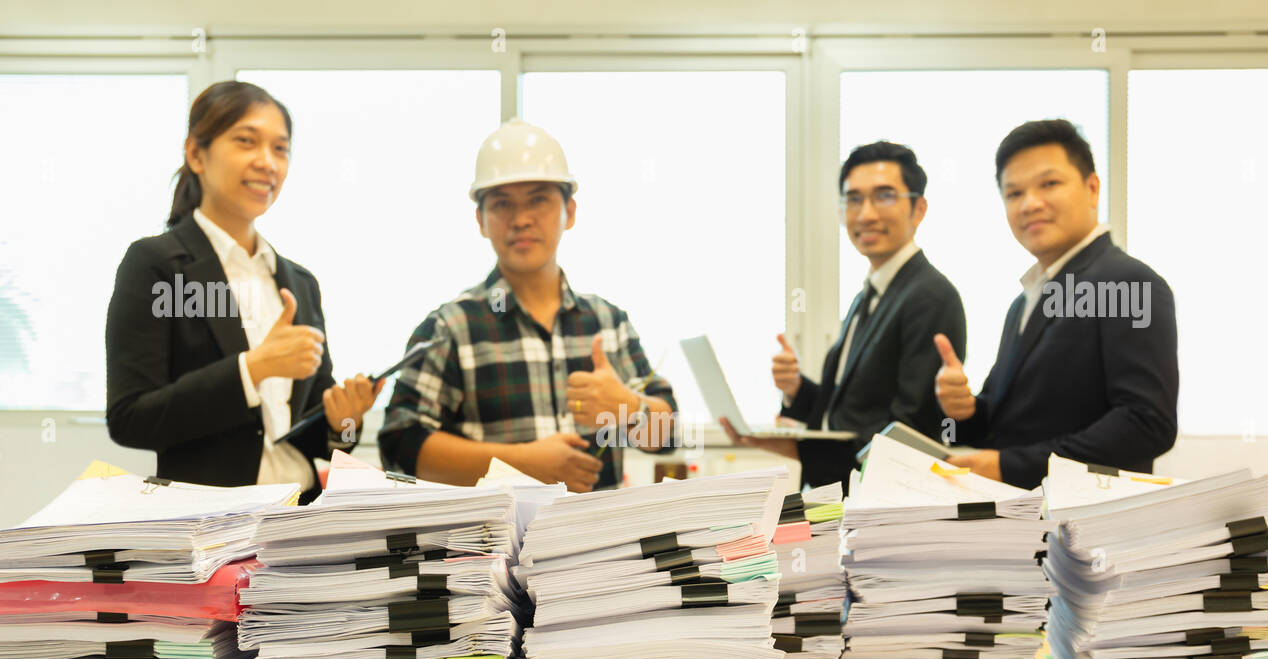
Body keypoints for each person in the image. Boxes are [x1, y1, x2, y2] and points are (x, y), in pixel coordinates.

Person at [106, 80, 381, 494]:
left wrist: (347, 419)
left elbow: (314, 438)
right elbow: (131, 419)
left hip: (301, 518)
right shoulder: (157, 265)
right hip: (209, 521)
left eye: (280, 148)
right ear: (196, 154)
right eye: (246, 141)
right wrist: (253, 369)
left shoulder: (299, 283)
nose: (267, 162)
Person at [379, 118, 676, 492]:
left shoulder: (607, 321)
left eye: (538, 200)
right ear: (481, 220)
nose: (520, 219)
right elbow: (399, 447)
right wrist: (521, 464)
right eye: (502, 204)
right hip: (491, 546)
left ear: (569, 211)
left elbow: (668, 434)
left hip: (602, 545)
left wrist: (630, 407)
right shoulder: (450, 327)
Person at [935, 119, 1178, 488]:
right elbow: (1005, 426)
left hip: (1084, 531)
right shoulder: (1024, 301)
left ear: (1092, 188)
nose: (1031, 203)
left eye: (1049, 184)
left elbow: (1146, 423)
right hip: (1023, 525)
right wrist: (964, 409)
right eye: (1014, 193)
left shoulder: (1126, 280)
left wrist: (1011, 466)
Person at [722, 141, 966, 492]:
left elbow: (907, 438)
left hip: (882, 506)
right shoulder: (869, 294)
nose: (865, 214)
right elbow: (850, 412)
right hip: (842, 498)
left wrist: (796, 447)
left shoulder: (929, 296)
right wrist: (797, 391)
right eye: (853, 199)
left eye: (884, 196)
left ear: (918, 208)